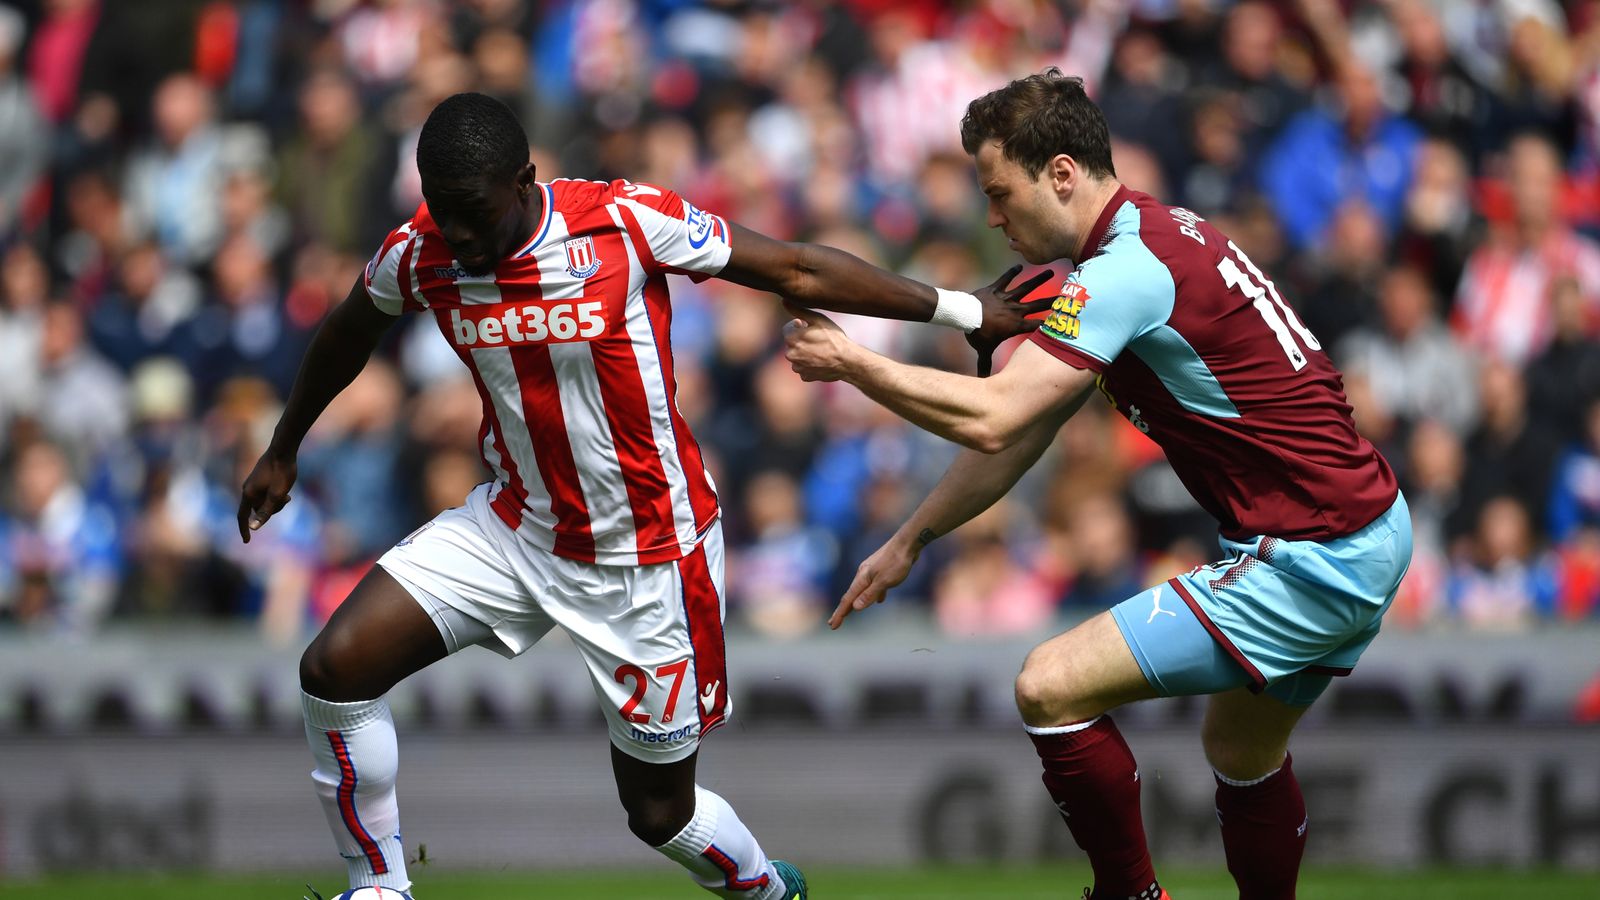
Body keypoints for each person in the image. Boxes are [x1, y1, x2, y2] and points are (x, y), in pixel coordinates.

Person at [236, 92, 1049, 900]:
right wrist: (284, 446)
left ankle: (769, 892)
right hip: (517, 526)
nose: (463, 238)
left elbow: (794, 266)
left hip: (649, 556)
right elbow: (349, 325)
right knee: (334, 670)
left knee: (660, 813)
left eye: (476, 215)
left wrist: (963, 308)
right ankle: (380, 889)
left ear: (525, 180)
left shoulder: (621, 223)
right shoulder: (422, 253)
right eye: (445, 216)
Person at [784, 70, 1412, 900]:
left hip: (1310, 552)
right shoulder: (1147, 240)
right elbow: (1024, 434)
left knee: (1049, 686)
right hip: (1361, 529)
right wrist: (913, 538)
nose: (993, 217)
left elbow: (995, 417)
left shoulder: (1125, 273)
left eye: (1001, 192)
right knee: (1242, 753)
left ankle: (1129, 895)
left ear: (1063, 174)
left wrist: (854, 363)